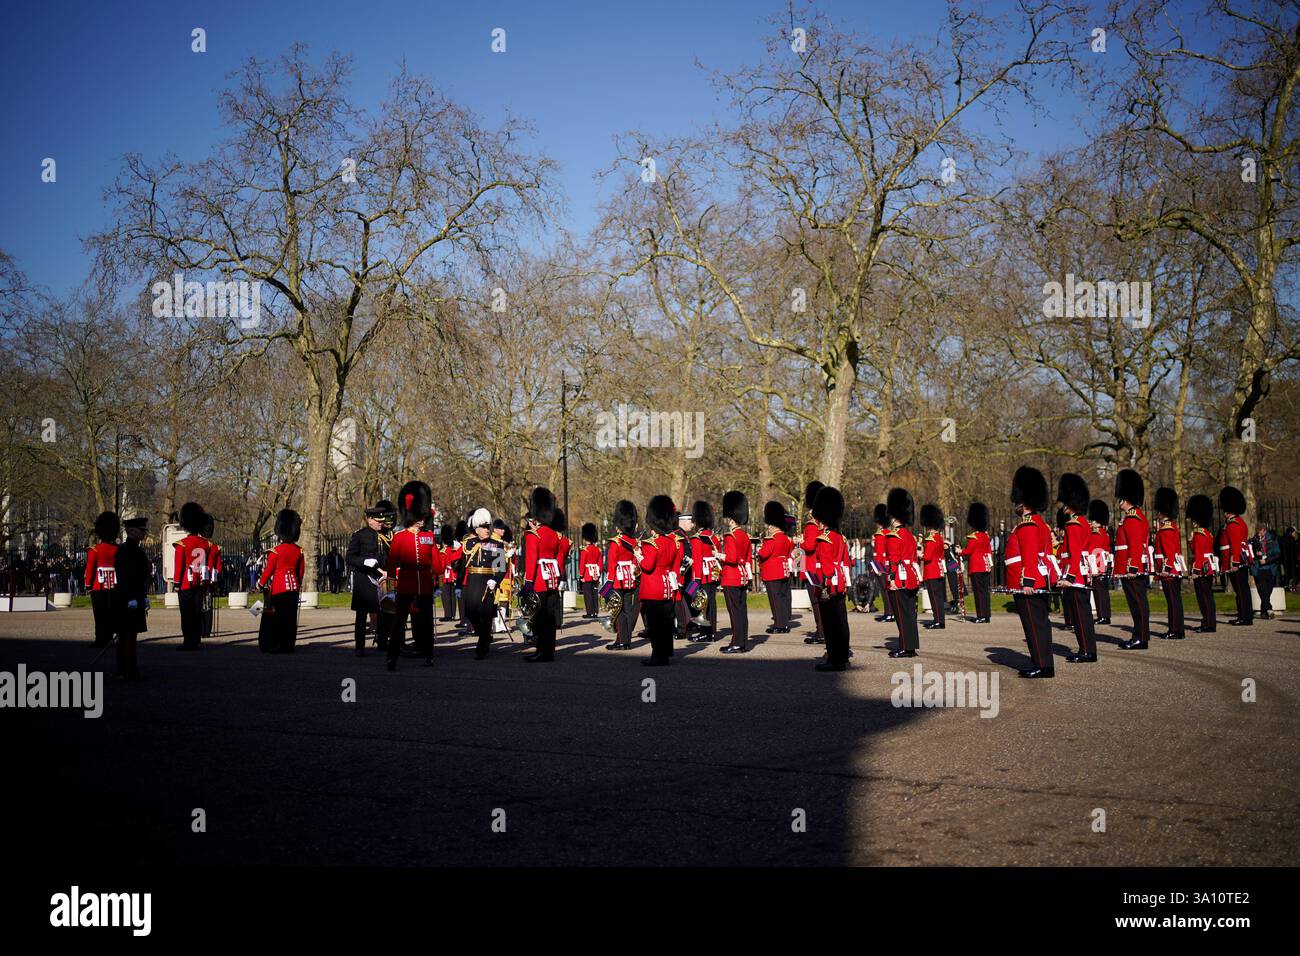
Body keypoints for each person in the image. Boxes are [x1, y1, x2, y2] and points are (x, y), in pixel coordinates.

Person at [385, 482, 443, 669]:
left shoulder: (428, 536)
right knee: (399, 622)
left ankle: (429, 653)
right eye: (419, 516)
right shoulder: (400, 537)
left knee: (427, 622)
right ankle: (392, 655)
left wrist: (437, 581)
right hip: (406, 583)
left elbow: (435, 563)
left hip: (425, 583)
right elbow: (392, 564)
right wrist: (391, 589)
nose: (422, 520)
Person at [1006, 466, 1053, 677]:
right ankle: (1044, 663)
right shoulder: (1039, 523)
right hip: (1036, 580)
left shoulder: (1028, 524)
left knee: (1034, 625)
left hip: (1027, 582)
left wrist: (1028, 582)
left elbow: (1030, 556)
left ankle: (1041, 665)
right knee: (1040, 623)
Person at [805, 486, 851, 671]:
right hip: (840, 583)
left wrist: (823, 589)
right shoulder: (839, 536)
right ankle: (842, 656)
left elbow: (825, 568)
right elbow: (845, 562)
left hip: (828, 585)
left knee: (831, 624)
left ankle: (834, 659)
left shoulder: (824, 538)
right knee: (841, 621)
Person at [1057, 474, 1097, 663]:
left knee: (1080, 615)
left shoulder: (1073, 524)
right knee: (1085, 613)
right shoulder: (1082, 522)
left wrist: (1070, 577)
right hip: (1082, 572)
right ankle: (1088, 649)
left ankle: (1086, 651)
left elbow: (1074, 554)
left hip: (1076, 575)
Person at [346, 499, 394, 657]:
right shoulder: (359, 536)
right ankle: (360, 646)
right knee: (362, 614)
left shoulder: (387, 536)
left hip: (382, 578)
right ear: (370, 520)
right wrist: (364, 561)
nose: (381, 524)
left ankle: (382, 642)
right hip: (365, 579)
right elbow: (350, 558)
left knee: (384, 612)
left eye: (382, 521)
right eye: (378, 521)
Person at [521, 487, 561, 663]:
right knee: (550, 617)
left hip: (538, 579)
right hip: (552, 579)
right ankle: (549, 651)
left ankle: (541, 651)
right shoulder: (554, 534)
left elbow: (531, 560)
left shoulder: (533, 535)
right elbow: (558, 557)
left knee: (539, 617)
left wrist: (527, 583)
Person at [1113, 470, 1152, 650]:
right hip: (1128, 566)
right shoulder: (1131, 517)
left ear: (1125, 498)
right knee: (1136, 603)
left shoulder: (1133, 518)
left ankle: (1141, 637)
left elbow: (1135, 546)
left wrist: (1132, 567)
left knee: (1138, 603)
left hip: (1132, 568)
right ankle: (1139, 635)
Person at [638, 494, 679, 666]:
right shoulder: (673, 542)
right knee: (667, 622)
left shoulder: (652, 543)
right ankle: (666, 652)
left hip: (653, 587)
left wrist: (638, 555)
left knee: (655, 624)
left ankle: (657, 655)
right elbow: (676, 565)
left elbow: (647, 566)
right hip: (668, 586)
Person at [257, 509, 305, 654]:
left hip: (279, 589)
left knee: (277, 617)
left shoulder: (276, 551)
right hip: (293, 588)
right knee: (290, 618)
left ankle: (276, 643)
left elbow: (269, 570)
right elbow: (301, 571)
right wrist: (297, 583)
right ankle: (288, 644)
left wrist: (260, 583)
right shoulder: (299, 550)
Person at [462, 509, 506, 659]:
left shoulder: (497, 544)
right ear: (476, 529)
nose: (487, 530)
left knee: (487, 616)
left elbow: (501, 568)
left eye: (488, 527)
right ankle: (485, 636)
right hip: (473, 581)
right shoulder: (468, 543)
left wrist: (496, 579)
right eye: (484, 527)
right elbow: (462, 565)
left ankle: (482, 648)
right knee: (471, 613)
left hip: (488, 582)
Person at [112, 515, 151, 681]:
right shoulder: (127, 550)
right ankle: (127, 670)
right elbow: (126, 577)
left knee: (128, 635)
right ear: (133, 531)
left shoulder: (133, 549)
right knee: (128, 636)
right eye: (142, 530)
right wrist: (132, 598)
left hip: (133, 596)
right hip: (128, 598)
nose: (145, 533)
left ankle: (126, 668)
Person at [884, 487, 921, 658]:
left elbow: (893, 560)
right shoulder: (909, 535)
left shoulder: (894, 536)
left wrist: (891, 579)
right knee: (909, 614)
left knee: (901, 614)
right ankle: (910, 646)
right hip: (912, 577)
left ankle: (905, 647)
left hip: (899, 578)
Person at [173, 501, 210, 651]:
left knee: (187, 615)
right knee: (196, 612)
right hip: (200, 582)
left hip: (186, 584)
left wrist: (176, 583)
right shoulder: (205, 543)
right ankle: (196, 639)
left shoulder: (182, 544)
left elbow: (179, 566)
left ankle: (188, 641)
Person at [720, 490, 753, 654]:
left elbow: (731, 559)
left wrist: (718, 555)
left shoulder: (730, 536)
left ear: (731, 518)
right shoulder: (745, 536)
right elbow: (747, 558)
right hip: (742, 576)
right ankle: (742, 642)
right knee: (742, 610)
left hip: (731, 577)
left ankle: (736, 643)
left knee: (734, 612)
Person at [605, 500, 640, 651]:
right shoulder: (632, 541)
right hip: (629, 577)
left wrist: (608, 584)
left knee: (618, 611)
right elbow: (634, 560)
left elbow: (611, 565)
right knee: (626, 610)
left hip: (618, 579)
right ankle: (625, 640)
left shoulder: (616, 542)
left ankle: (622, 641)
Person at [1152, 487, 1186, 640]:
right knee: (1174, 601)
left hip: (1169, 571)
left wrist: (1166, 569)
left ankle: (1175, 630)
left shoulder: (1165, 529)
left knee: (1173, 602)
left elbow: (1169, 553)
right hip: (1172, 569)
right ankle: (1177, 628)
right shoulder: (1170, 526)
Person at [1218, 486, 1252, 626]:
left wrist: (1234, 562)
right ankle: (1244, 615)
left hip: (1235, 562)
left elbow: (1236, 545)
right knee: (1242, 590)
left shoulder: (1233, 524)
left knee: (1241, 591)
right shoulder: (1238, 522)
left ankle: (1244, 617)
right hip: (1237, 561)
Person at [85, 511, 120, 648]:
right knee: (111, 613)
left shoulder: (95, 550)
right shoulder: (117, 549)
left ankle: (101, 639)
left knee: (100, 616)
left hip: (98, 587)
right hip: (114, 586)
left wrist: (88, 585)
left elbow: (90, 569)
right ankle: (110, 638)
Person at [759, 501, 794, 634]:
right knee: (783, 598)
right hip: (784, 570)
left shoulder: (771, 539)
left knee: (775, 599)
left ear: (773, 525)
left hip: (772, 572)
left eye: (769, 526)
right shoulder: (786, 538)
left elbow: (763, 553)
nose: (768, 528)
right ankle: (784, 622)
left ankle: (779, 624)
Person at [1185, 494, 1218, 633]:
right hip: (1209, 567)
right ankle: (1209, 622)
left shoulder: (1198, 534)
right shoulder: (1207, 533)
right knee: (1208, 597)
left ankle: (1208, 624)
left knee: (1203, 597)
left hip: (1202, 568)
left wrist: (1195, 572)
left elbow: (1197, 554)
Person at [800, 481, 827, 646]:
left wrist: (800, 542)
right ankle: (822, 630)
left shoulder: (811, 524)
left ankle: (821, 632)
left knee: (816, 602)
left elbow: (809, 546)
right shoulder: (822, 523)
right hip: (819, 567)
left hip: (811, 567)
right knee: (820, 602)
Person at [690, 500, 722, 641]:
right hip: (713, 573)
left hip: (701, 575)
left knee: (700, 603)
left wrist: (695, 582)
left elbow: (697, 561)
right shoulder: (713, 537)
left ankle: (705, 632)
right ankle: (712, 632)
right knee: (711, 602)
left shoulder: (697, 538)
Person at [960, 502, 992, 623]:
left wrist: (959, 551)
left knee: (978, 592)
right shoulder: (985, 536)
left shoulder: (974, 537)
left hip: (976, 567)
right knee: (985, 591)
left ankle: (981, 615)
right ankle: (987, 615)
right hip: (985, 565)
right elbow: (989, 551)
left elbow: (968, 551)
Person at [920, 504, 947, 630]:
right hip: (939, 570)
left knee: (934, 597)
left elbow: (928, 557)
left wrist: (920, 554)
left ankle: (938, 621)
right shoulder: (939, 538)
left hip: (931, 571)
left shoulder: (931, 539)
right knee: (938, 597)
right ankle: (940, 620)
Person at [1087, 500, 1113, 625]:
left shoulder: (1096, 534)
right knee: (1102, 591)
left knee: (1099, 592)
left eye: (1093, 521)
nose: (1091, 523)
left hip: (1097, 565)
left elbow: (1094, 552)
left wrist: (1094, 569)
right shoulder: (1103, 533)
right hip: (1102, 564)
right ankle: (1104, 615)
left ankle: (1103, 616)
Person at [1250, 520, 1281, 619]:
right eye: (1258, 531)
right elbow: (1249, 554)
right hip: (1258, 569)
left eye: (1261, 531)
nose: (1260, 533)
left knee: (1268, 590)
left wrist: (1267, 560)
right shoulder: (1252, 540)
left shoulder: (1272, 539)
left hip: (1270, 568)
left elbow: (1277, 554)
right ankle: (1269, 609)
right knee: (1262, 590)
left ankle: (1264, 612)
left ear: (1264, 530)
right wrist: (1255, 554)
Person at [201, 512, 222, 640]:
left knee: (199, 606)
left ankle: (200, 630)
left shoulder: (198, 544)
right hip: (210, 581)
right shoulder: (215, 547)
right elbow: (219, 567)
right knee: (208, 606)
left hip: (197, 580)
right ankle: (207, 630)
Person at [871, 503, 894, 623]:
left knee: (885, 591)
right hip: (886, 565)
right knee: (887, 591)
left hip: (881, 566)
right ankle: (889, 613)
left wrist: (877, 568)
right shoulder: (887, 533)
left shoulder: (880, 534)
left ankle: (889, 613)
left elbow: (879, 553)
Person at [578, 523, 601, 619]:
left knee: (587, 594)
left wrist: (581, 575)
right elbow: (600, 564)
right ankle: (595, 611)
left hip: (587, 574)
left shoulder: (585, 550)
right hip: (595, 573)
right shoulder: (598, 550)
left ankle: (589, 612)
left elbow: (582, 564)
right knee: (594, 593)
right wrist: (598, 575)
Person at [438, 525, 461, 621]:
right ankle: (453, 615)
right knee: (452, 594)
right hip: (454, 574)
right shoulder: (454, 549)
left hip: (445, 574)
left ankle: (448, 615)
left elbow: (441, 565)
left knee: (445, 594)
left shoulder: (444, 551)